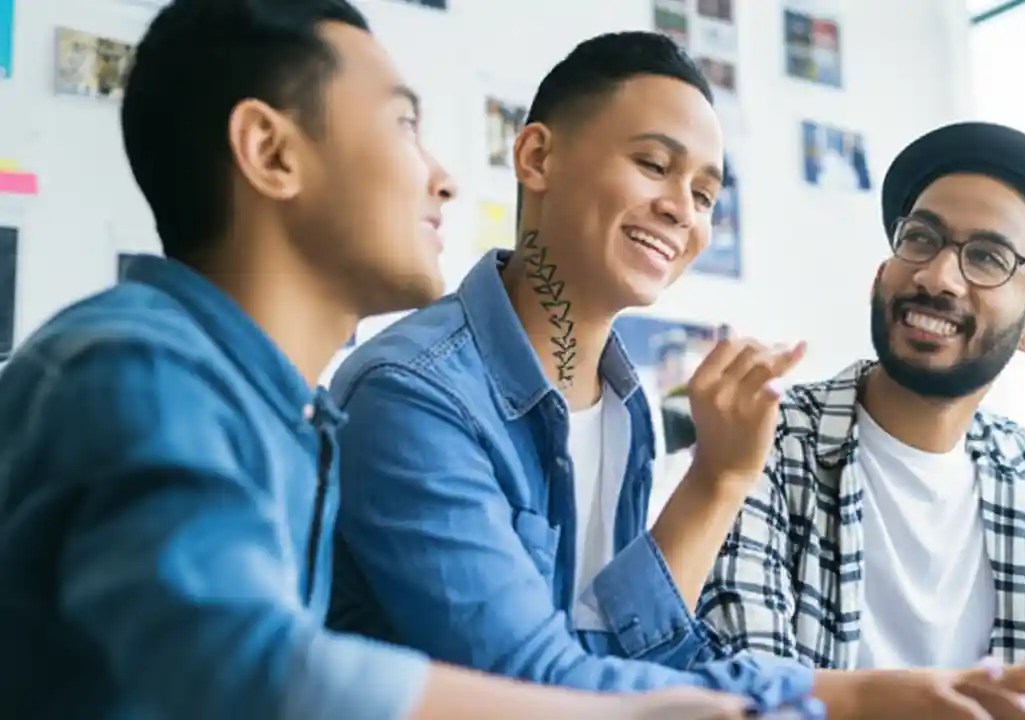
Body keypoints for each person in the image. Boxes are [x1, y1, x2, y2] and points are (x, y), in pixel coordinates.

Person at [328, 31, 1025, 720]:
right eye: (655, 166)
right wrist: (869, 699)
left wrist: (717, 481)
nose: (683, 210)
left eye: (704, 192)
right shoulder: (417, 393)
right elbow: (537, 687)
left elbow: (629, 653)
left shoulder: (626, 405)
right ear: (536, 155)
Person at [0, 2, 752, 719]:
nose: (446, 178)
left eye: (705, 194)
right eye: (403, 124)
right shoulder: (138, 374)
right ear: (271, 152)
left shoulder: (294, 421)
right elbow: (258, 672)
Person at [697, 121, 1025, 720]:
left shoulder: (1014, 463)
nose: (936, 276)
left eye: (986, 258)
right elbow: (750, 685)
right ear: (883, 274)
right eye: (921, 239)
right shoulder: (771, 437)